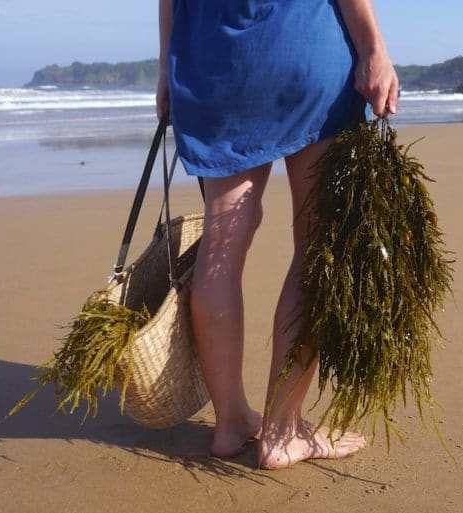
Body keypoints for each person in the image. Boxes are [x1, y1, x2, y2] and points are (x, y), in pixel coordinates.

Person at [156, 0, 399, 469]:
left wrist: (167, 67)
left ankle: (229, 424)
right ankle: (284, 431)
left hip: (212, 65)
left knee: (222, 245)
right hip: (300, 49)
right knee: (316, 247)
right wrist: (374, 48)